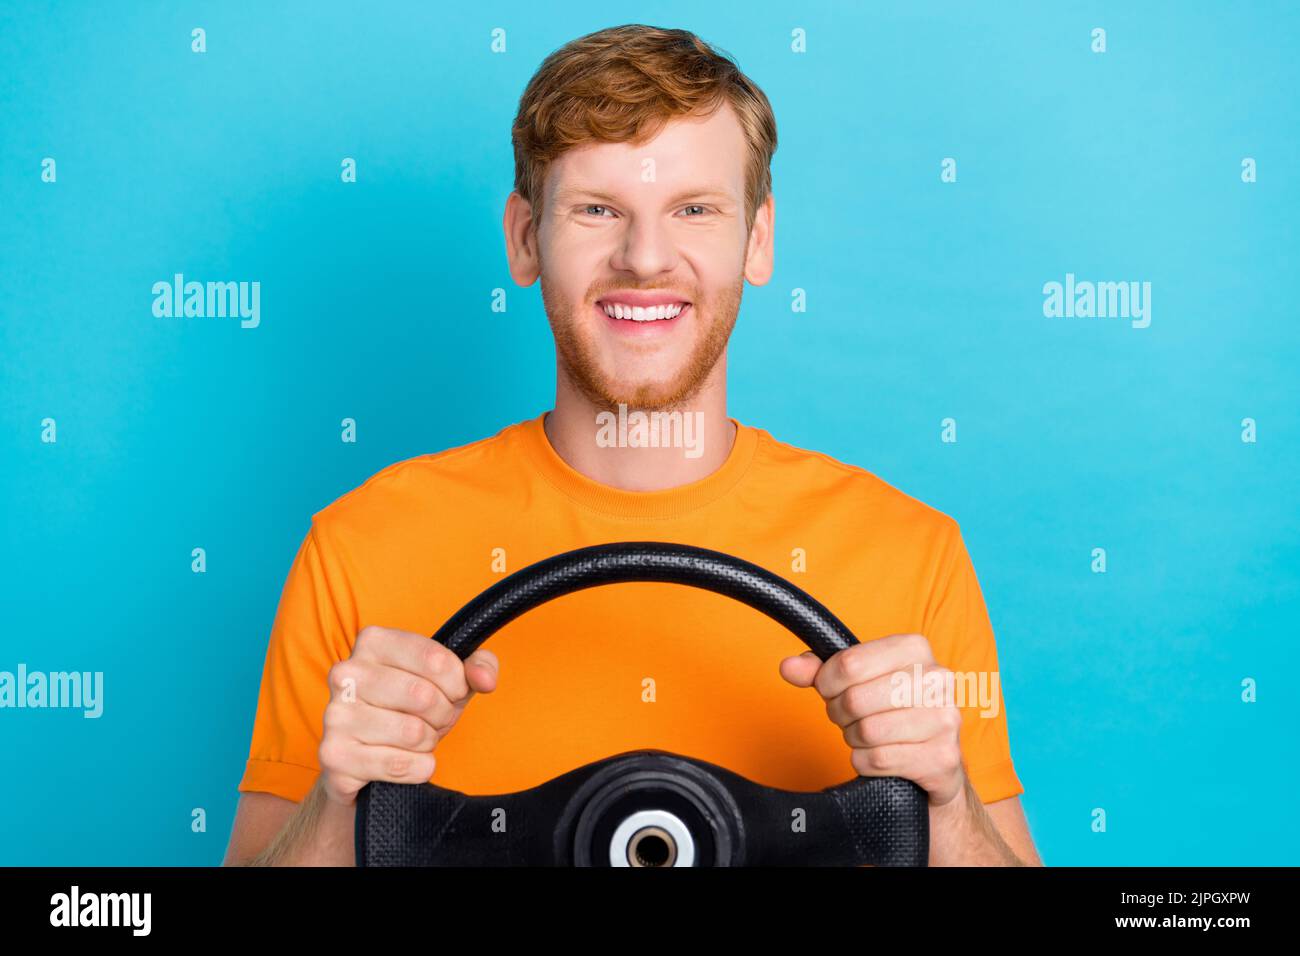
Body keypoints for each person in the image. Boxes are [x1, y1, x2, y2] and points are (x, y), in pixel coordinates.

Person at [223, 23, 1041, 867]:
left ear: (757, 239)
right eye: (595, 210)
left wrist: (944, 806)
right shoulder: (358, 549)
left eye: (694, 209)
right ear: (523, 238)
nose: (645, 259)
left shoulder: (910, 554)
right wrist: (339, 799)